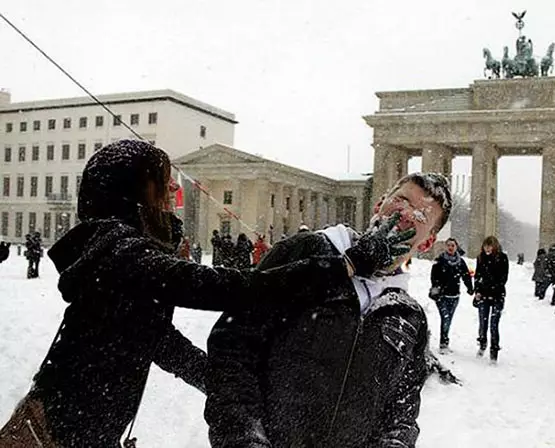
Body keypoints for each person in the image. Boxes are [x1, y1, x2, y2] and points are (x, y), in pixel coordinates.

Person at [0, 140, 398, 448]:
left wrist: (222, 383)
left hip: (84, 424)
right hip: (64, 426)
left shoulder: (118, 250)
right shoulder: (120, 253)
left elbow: (157, 340)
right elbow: (230, 289)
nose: (174, 186)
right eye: (163, 179)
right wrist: (341, 266)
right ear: (134, 190)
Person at [205, 172, 452, 448]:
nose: (405, 212)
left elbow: (402, 410)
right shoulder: (306, 250)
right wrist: (242, 437)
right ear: (379, 204)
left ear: (428, 242)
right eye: (401, 199)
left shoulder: (409, 317)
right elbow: (233, 346)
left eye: (420, 214)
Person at [429, 237, 474, 353]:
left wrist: (470, 288)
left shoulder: (460, 261)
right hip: (441, 296)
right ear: (445, 246)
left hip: (454, 296)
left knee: (448, 320)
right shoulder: (439, 260)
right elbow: (434, 276)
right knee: (446, 318)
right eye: (448, 245)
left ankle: (444, 342)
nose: (450, 247)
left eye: (452, 245)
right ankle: (443, 344)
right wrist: (436, 288)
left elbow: (466, 275)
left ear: (456, 247)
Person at [473, 235, 509, 363]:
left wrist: (492, 287)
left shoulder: (502, 258)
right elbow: (477, 275)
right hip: (483, 295)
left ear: (495, 247)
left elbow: (503, 278)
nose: (487, 248)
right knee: (483, 323)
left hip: (497, 296)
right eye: (485, 246)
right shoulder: (481, 258)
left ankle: (494, 351)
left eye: (490, 246)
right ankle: (482, 342)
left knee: (494, 324)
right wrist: (477, 290)